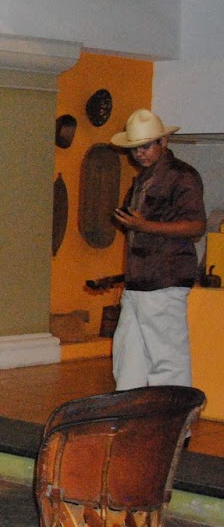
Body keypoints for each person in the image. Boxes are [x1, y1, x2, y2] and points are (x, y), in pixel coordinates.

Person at [110, 108, 206, 390]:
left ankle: (175, 418)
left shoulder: (182, 176)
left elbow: (196, 226)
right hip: (139, 281)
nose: (139, 154)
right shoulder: (143, 179)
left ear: (163, 142)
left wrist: (144, 225)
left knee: (168, 361)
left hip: (165, 279)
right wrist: (132, 224)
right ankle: (131, 413)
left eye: (145, 146)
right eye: (134, 148)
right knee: (128, 359)